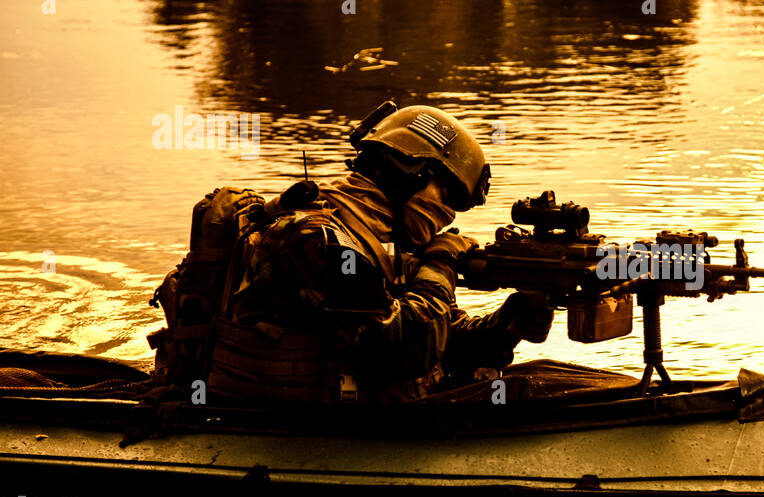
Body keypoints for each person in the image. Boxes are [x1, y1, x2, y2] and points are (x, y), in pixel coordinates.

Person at [155, 103, 553, 404]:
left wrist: (509, 324)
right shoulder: (315, 239)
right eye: (446, 195)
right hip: (295, 436)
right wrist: (442, 263)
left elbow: (441, 337)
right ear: (406, 171)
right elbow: (404, 350)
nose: (448, 216)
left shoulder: (379, 240)